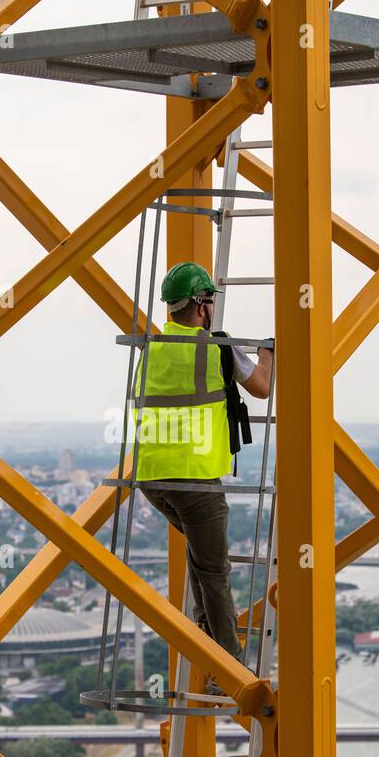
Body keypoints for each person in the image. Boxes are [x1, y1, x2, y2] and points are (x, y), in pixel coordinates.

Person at [132, 261, 272, 673]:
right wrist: (266, 353)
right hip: (194, 481)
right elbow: (262, 387)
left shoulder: (152, 348)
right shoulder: (218, 347)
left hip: (153, 480)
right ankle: (227, 668)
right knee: (214, 570)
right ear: (201, 306)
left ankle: (206, 639)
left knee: (200, 556)